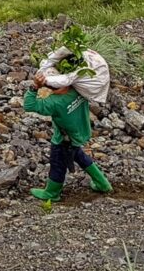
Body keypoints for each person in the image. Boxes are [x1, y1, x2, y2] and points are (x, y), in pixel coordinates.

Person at [23, 73, 111, 201]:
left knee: (58, 163)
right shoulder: (78, 89)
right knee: (79, 156)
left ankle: (52, 193)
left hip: (64, 139)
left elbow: (29, 105)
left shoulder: (54, 102)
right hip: (80, 133)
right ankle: (103, 183)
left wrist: (35, 86)